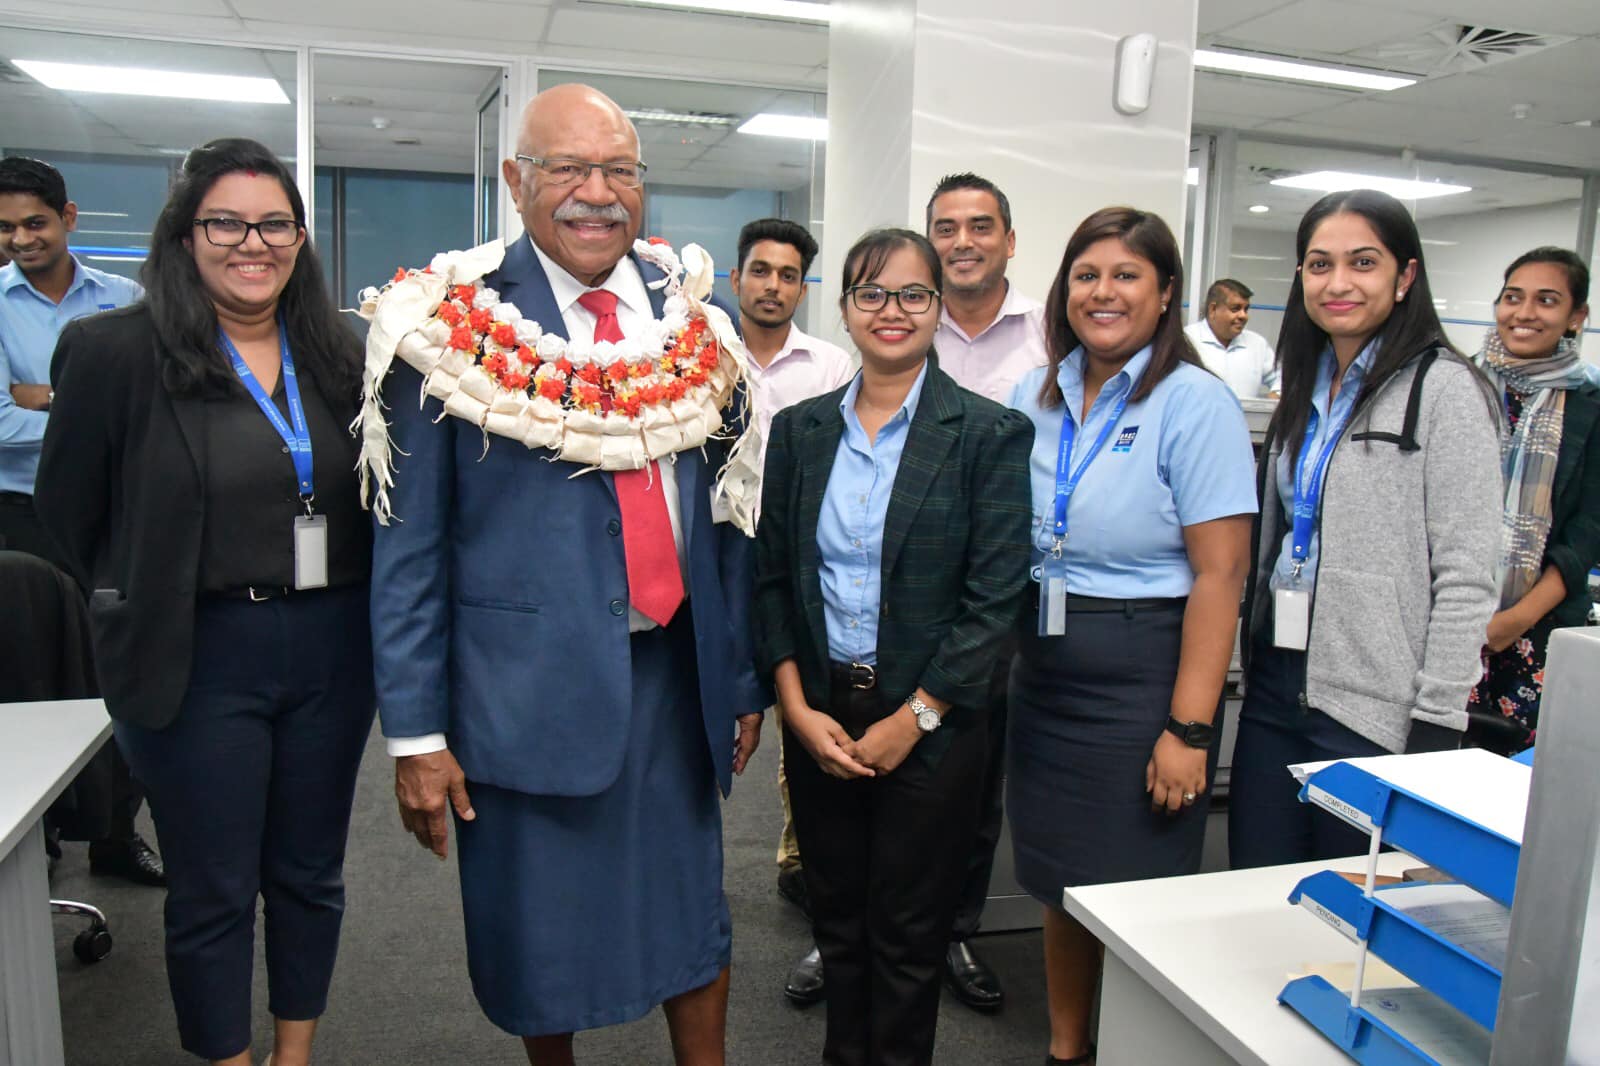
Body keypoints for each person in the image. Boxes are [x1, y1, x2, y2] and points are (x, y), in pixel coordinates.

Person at [368, 83, 765, 1066]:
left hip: (674, 679)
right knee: (538, 940)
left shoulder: (691, 319)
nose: (597, 193)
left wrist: (740, 675)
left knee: (693, 916)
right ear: (516, 182)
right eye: (568, 170)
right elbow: (406, 550)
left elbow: (724, 522)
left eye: (619, 169)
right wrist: (415, 733)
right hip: (520, 693)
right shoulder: (446, 329)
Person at [35, 138, 373, 1066]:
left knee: (309, 873)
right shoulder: (114, 353)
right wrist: (131, 595)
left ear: (299, 239)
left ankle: (293, 1054)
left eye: (274, 223)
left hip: (332, 651)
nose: (251, 242)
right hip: (195, 654)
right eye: (226, 222)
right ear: (186, 235)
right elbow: (67, 512)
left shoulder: (342, 353)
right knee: (214, 884)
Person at [754, 227, 1031, 1066]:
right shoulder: (802, 433)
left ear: (939, 308)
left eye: (914, 294)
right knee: (838, 926)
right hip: (825, 714)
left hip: (935, 723)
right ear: (843, 308)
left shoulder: (986, 433)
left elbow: (995, 602)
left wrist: (914, 718)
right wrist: (795, 707)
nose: (892, 311)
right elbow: (770, 580)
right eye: (871, 294)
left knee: (909, 940)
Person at [1006, 207, 1256, 1066]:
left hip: (1146, 676)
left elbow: (1221, 577)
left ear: (1165, 296)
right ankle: (1067, 1046)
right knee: (1059, 879)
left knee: (1136, 887)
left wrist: (1189, 728)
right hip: (1044, 672)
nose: (1102, 292)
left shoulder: (1196, 404)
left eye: (1125, 276)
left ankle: (1135, 1050)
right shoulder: (1034, 395)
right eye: (1086, 274)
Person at [1228, 189, 1502, 871]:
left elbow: (1469, 575)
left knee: (1348, 912)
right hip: (1275, 688)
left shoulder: (1447, 391)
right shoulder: (1303, 384)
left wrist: (1438, 720)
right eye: (1319, 264)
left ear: (1405, 277)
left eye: (1363, 262)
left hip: (1379, 710)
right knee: (1255, 889)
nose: (1338, 283)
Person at [0, 156, 160, 886]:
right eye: (4, 228)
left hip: (108, 517)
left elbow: (146, 416)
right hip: (20, 520)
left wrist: (43, 398)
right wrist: (78, 412)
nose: (20, 239)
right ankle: (31, 833)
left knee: (116, 672)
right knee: (32, 677)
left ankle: (115, 835)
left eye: (34, 222)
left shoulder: (124, 299)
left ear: (67, 217)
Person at [928, 170, 1047, 1011]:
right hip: (899, 584)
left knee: (973, 774)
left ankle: (953, 933)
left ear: (1009, 240)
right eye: (945, 227)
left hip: (1006, 583)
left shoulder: (1053, 338)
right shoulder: (899, 321)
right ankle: (845, 932)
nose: (962, 241)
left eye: (979, 226)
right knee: (867, 764)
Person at [727, 216, 852, 1003]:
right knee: (720, 710)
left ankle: (803, 861)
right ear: (737, 278)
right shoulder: (701, 354)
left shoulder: (832, 365)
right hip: (715, 556)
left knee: (803, 712)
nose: (773, 285)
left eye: (788, 274)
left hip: (801, 564)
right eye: (760, 270)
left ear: (804, 286)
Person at [1467, 248, 1599, 754]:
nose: (1524, 313)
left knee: (1519, 789)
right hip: (1448, 620)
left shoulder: (1590, 402)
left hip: (1538, 631)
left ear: (1575, 317)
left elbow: (1588, 533)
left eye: (1547, 301)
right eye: (1513, 298)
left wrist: (1510, 624)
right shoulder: (1460, 384)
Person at [1184, 278, 1278, 398]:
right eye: (1235, 309)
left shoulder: (1257, 344)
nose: (1243, 315)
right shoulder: (1187, 340)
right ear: (1213, 309)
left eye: (1246, 309)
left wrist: (1272, 401)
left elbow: (1282, 379)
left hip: (1244, 417)